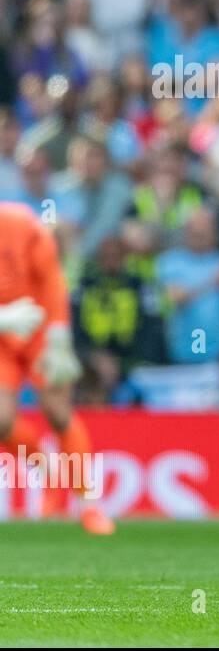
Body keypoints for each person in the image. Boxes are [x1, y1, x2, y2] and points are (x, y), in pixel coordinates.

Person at [0, 202, 114, 534]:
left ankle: (89, 505)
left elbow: (52, 281)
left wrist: (59, 336)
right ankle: (49, 472)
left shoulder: (23, 226)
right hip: (2, 336)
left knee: (58, 411)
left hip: (37, 328)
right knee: (2, 421)